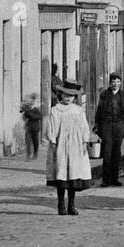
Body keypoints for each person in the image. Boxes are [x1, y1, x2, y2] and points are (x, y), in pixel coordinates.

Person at [46, 81, 92, 214]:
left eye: (71, 96)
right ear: (61, 95)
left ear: (75, 98)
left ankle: (72, 205)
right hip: (60, 146)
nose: (68, 98)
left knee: (73, 175)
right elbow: (52, 127)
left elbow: (84, 126)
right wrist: (53, 141)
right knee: (61, 173)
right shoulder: (56, 110)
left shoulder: (78, 110)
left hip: (75, 146)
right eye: (66, 95)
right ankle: (61, 205)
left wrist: (84, 141)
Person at [95, 73, 124, 187]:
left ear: (120, 83)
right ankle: (105, 179)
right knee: (107, 152)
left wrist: (122, 123)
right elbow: (99, 111)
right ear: (110, 83)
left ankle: (114, 178)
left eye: (117, 82)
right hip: (106, 126)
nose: (115, 84)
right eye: (113, 82)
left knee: (116, 152)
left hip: (118, 126)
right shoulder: (104, 95)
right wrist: (97, 125)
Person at [21, 94, 43, 159]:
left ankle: (35, 153)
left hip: (35, 128)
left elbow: (40, 117)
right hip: (28, 127)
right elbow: (23, 117)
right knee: (28, 141)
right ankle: (28, 155)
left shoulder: (36, 109)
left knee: (35, 141)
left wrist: (31, 115)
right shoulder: (26, 110)